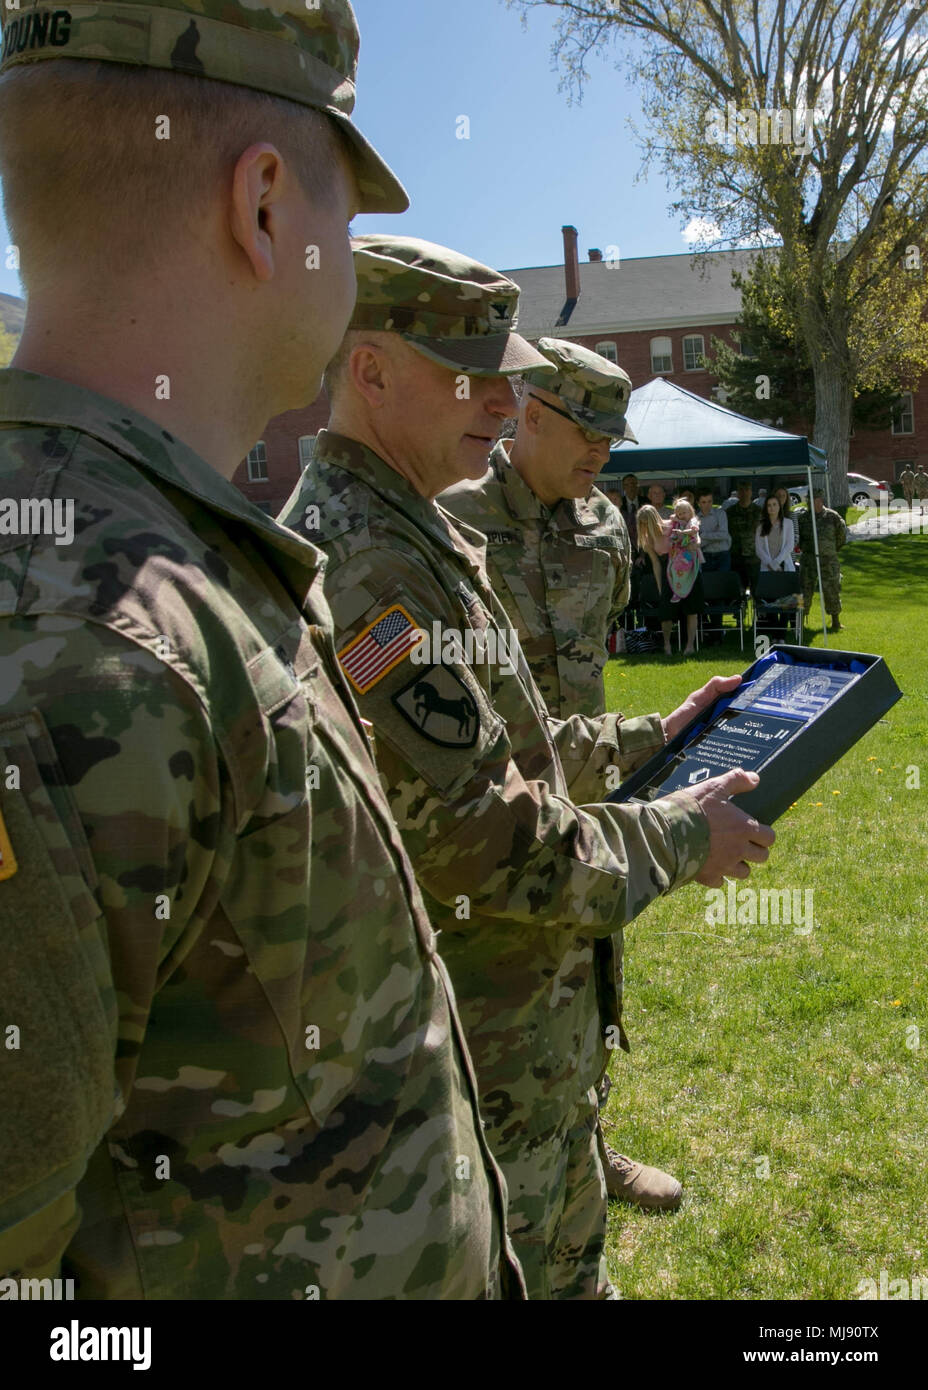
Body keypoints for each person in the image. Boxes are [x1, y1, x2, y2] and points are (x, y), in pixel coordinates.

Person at [0, 1, 521, 1301]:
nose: (347, 262)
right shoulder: (100, 631)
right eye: (347, 220)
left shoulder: (159, 561)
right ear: (268, 208)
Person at [280, 234, 776, 1299]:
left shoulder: (410, 533)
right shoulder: (369, 565)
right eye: (473, 380)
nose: (506, 409)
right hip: (476, 1015)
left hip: (526, 1014)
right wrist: (685, 831)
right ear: (367, 370)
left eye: (508, 383)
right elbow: (480, 835)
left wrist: (660, 730)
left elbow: (523, 744)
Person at [441, 338, 682, 1213]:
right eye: (586, 432)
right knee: (491, 994)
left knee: (589, 971)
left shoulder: (607, 528)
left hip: (587, 786)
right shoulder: (452, 516)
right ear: (530, 415)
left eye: (612, 441)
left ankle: (589, 1144)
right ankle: (481, 1167)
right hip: (487, 799)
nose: (600, 454)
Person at [637, 504, 705, 656]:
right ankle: (667, 645)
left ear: (654, 518)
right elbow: (655, 563)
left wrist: (697, 543)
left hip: (688, 568)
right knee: (666, 612)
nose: (644, 525)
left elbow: (693, 532)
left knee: (691, 609)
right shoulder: (647, 539)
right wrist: (661, 587)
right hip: (667, 573)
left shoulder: (672, 524)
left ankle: (690, 646)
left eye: (646, 522)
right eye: (641, 523)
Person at [797, 490, 847, 633]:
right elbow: (798, 538)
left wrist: (831, 549)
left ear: (821, 500)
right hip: (808, 558)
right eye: (809, 500)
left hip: (828, 559)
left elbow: (841, 536)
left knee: (832, 589)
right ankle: (800, 622)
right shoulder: (803, 519)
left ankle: (836, 621)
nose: (812, 503)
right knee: (804, 589)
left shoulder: (832, 516)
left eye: (815, 500)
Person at [726, 480, 762, 596]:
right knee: (737, 594)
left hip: (754, 558)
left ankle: (758, 614)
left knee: (757, 592)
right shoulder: (730, 512)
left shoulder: (759, 511)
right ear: (738, 493)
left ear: (751, 492)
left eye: (747, 490)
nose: (744, 493)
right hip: (736, 558)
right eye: (741, 490)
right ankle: (740, 613)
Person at [755, 494, 796, 571]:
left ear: (779, 506)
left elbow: (789, 545)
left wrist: (776, 563)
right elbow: (759, 549)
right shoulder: (760, 525)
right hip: (767, 567)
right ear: (766, 508)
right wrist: (770, 564)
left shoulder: (788, 523)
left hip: (784, 566)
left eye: (774, 504)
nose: (772, 507)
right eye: (769, 505)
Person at [696, 486, 731, 572]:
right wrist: (716, 535)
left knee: (722, 583)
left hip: (723, 555)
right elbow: (698, 543)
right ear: (698, 503)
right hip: (706, 556)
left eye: (709, 501)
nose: (707, 505)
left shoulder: (720, 514)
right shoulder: (695, 519)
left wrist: (703, 534)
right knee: (708, 583)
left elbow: (724, 535)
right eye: (703, 502)